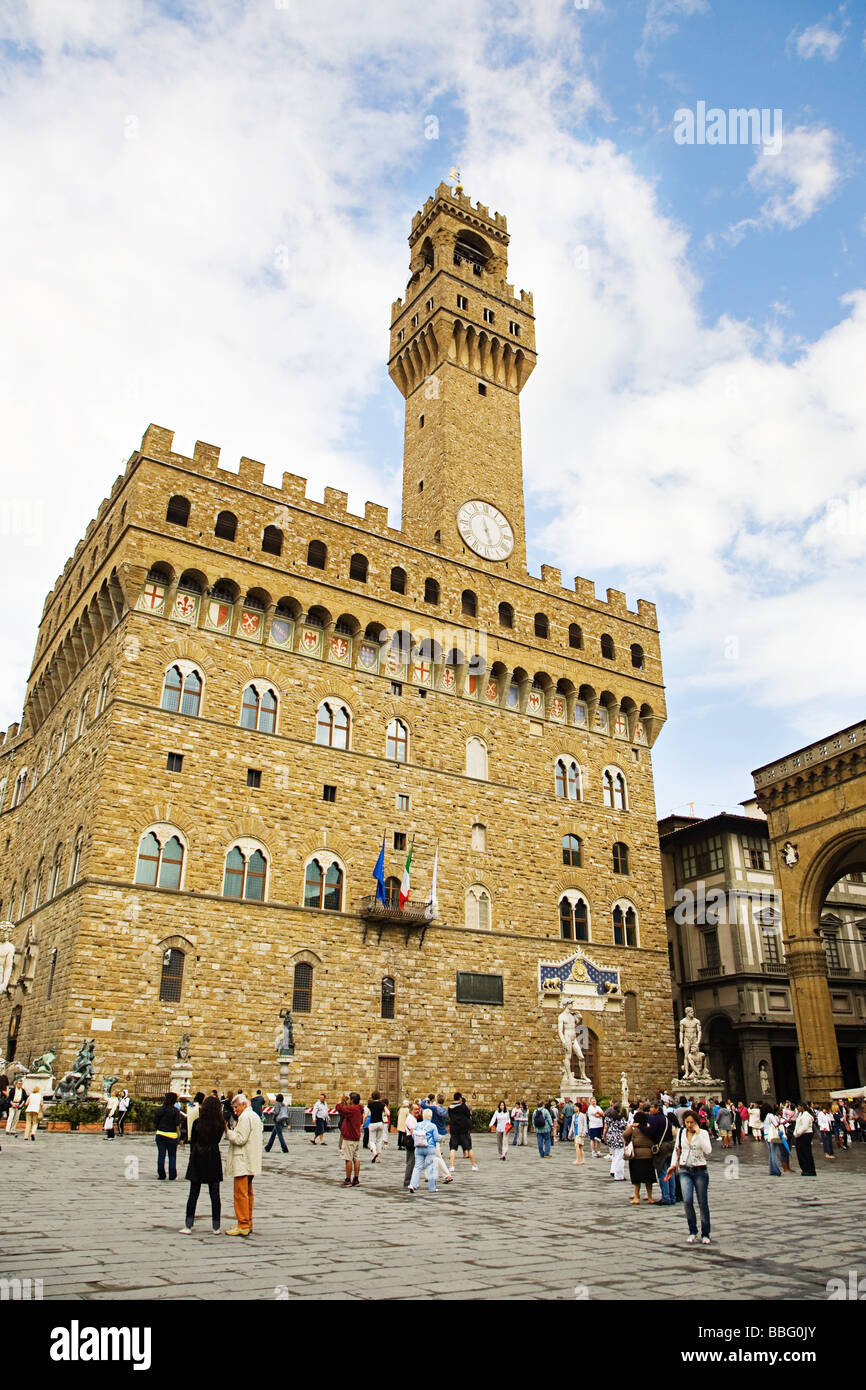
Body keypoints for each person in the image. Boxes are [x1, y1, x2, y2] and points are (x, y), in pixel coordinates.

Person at [180, 1094, 226, 1234]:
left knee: (193, 1193)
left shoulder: (197, 1123)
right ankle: (216, 1226)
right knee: (215, 1194)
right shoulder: (220, 1124)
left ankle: (188, 1224)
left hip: (198, 1155)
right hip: (213, 1156)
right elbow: (218, 1140)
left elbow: (192, 1141)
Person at [669, 1110, 712, 1244]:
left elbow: (708, 1150)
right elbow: (676, 1150)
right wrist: (672, 1166)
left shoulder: (703, 1133)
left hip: (700, 1170)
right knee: (687, 1201)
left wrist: (698, 1133)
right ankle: (692, 1231)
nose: (689, 1125)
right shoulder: (681, 1133)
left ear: (696, 1122)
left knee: (702, 1203)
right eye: (687, 1122)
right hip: (684, 1170)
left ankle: (705, 1233)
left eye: (691, 1122)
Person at [225, 1092, 263, 1236]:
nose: (235, 1111)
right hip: (250, 1159)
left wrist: (228, 1131)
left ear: (243, 1104)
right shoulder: (254, 1116)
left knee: (240, 1194)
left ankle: (243, 1224)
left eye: (236, 1107)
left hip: (243, 1160)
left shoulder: (245, 1117)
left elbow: (240, 1139)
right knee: (247, 1193)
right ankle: (248, 1221)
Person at [623, 1102, 661, 1204]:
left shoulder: (634, 1128)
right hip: (648, 1155)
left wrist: (630, 1129)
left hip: (636, 1155)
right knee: (649, 1178)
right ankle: (650, 1198)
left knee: (636, 1178)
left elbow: (624, 1134)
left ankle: (636, 1197)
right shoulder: (648, 1128)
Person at [408, 1108, 440, 1194]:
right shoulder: (433, 1126)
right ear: (431, 1117)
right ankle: (432, 1187)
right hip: (430, 1148)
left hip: (418, 1148)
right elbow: (436, 1138)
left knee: (417, 1167)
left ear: (423, 1116)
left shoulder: (418, 1125)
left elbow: (413, 1136)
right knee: (431, 1168)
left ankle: (412, 1185)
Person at [335, 1091, 364, 1187]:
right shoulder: (359, 1109)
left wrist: (340, 1100)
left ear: (352, 1100)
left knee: (348, 1159)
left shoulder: (352, 1110)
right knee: (356, 1158)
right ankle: (356, 1178)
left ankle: (348, 1179)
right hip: (356, 1137)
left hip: (349, 1137)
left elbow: (340, 1109)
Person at [447, 1093, 478, 1170]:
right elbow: (468, 1116)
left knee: (453, 1148)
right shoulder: (463, 1106)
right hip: (463, 1130)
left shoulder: (450, 1107)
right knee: (469, 1148)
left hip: (454, 1130)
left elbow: (450, 1117)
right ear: (460, 1098)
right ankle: (474, 1165)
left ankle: (451, 1166)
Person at [603, 1102, 627, 1180]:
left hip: (611, 1137)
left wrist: (604, 1136)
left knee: (615, 1155)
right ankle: (618, 1175)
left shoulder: (608, 1118)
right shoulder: (621, 1118)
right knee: (619, 1156)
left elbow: (605, 1128)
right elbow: (626, 1128)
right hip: (619, 1138)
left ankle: (613, 1170)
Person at [761, 1102, 786, 1177]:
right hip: (771, 1136)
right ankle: (776, 1170)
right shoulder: (770, 1115)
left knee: (771, 1153)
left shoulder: (763, 1116)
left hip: (766, 1136)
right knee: (774, 1153)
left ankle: (772, 1170)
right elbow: (776, 1125)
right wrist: (779, 1120)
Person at [793, 1103, 816, 1176]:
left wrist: (798, 1133)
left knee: (806, 1152)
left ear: (802, 1107)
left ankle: (808, 1169)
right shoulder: (801, 1115)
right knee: (801, 1153)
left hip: (804, 1135)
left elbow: (805, 1126)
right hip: (800, 1135)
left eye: (798, 1106)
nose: (798, 1108)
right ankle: (805, 1169)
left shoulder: (806, 1115)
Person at [366, 1091, 387, 1163]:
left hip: (372, 1123)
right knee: (379, 1140)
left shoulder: (370, 1104)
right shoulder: (382, 1104)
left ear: (372, 1096)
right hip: (380, 1123)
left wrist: (363, 1123)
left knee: (372, 1140)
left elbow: (366, 1115)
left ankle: (375, 1153)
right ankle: (378, 1158)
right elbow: (388, 1112)